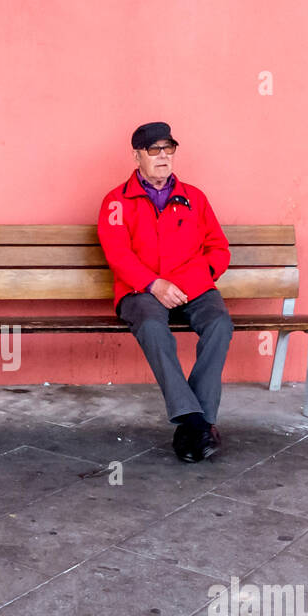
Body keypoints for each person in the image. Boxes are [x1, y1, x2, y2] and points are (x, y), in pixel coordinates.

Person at [96, 121, 233, 462]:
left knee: (219, 323)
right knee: (154, 327)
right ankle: (195, 421)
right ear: (136, 156)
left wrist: (193, 281)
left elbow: (219, 249)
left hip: (192, 289)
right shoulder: (116, 202)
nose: (162, 156)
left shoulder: (194, 198)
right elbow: (118, 255)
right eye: (153, 150)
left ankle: (194, 427)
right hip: (140, 290)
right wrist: (155, 284)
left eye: (167, 149)